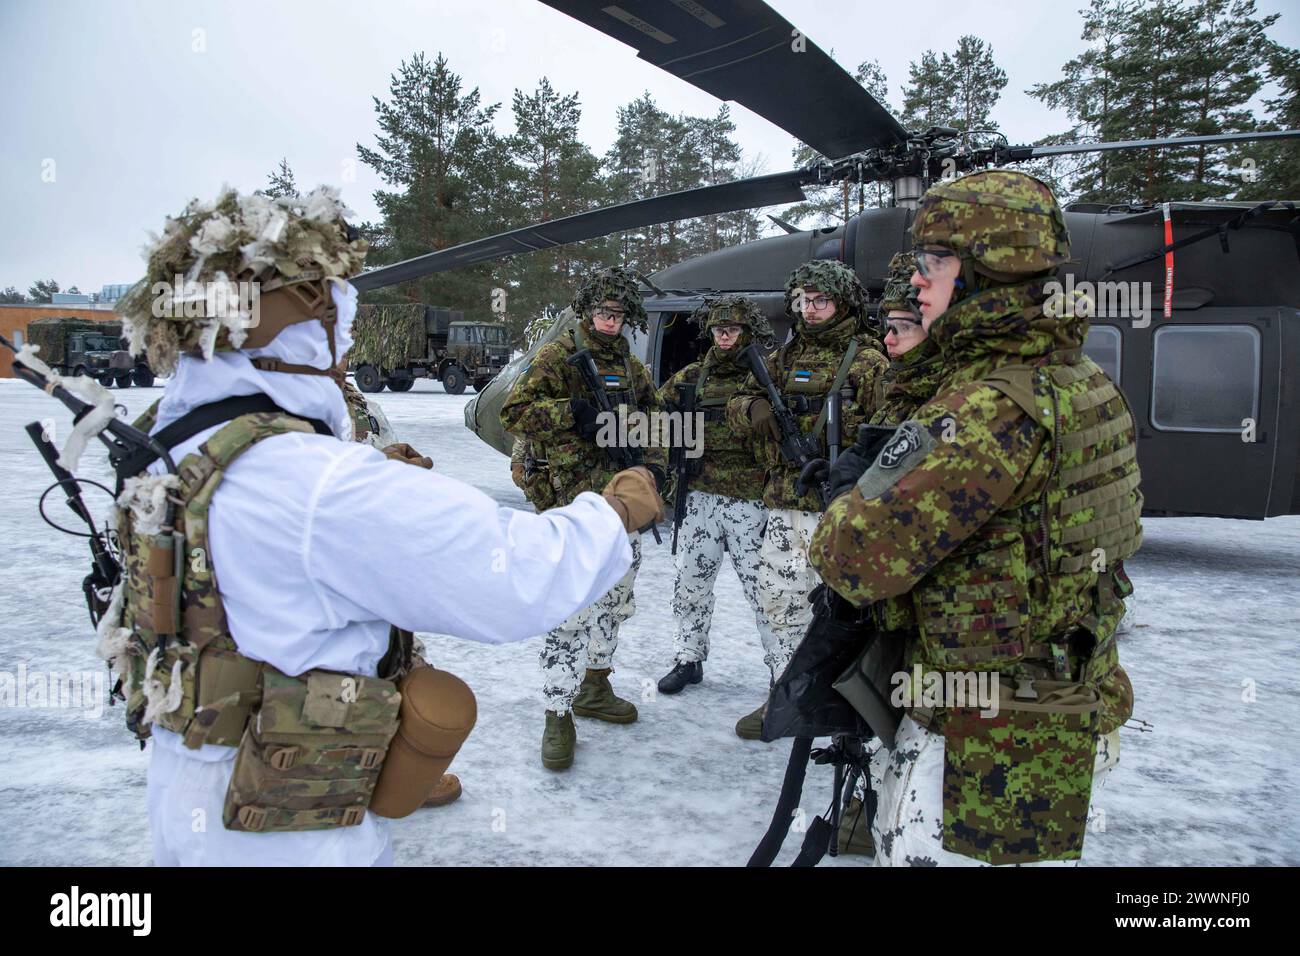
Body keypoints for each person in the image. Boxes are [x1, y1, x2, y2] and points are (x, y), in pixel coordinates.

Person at [97, 186, 661, 865]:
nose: (350, 335)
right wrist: (614, 510)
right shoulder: (315, 481)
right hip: (290, 824)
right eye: (339, 310)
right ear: (293, 319)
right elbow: (512, 578)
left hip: (197, 787)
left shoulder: (179, 445)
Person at [809, 169, 1141, 866]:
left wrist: (850, 490)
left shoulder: (988, 409)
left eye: (936, 261)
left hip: (984, 730)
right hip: (1057, 695)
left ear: (988, 270)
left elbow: (851, 558)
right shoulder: (1081, 377)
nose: (919, 281)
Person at [499, 266, 669, 770]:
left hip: (620, 507)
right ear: (587, 311)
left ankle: (594, 687)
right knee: (569, 612)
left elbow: (656, 418)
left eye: (617, 314)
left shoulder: (631, 368)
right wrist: (573, 413)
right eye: (602, 312)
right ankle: (557, 711)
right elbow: (514, 412)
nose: (609, 321)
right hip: (571, 508)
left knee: (614, 599)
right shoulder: (557, 356)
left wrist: (654, 468)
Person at [725, 260, 888, 739]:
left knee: (842, 613)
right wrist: (752, 409)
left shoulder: (869, 361)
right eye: (802, 301)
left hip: (844, 509)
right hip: (786, 503)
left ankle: (844, 709)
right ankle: (785, 695)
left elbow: (886, 435)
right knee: (779, 602)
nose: (811, 310)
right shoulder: (779, 357)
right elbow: (736, 402)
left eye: (821, 301)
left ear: (843, 302)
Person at [655, 296, 778, 696]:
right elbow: (654, 414)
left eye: (734, 330)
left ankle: (782, 673)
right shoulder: (692, 376)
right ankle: (688, 659)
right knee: (691, 584)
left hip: (749, 501)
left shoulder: (764, 375)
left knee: (765, 591)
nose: (725, 336)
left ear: (747, 332)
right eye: (718, 330)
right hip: (700, 496)